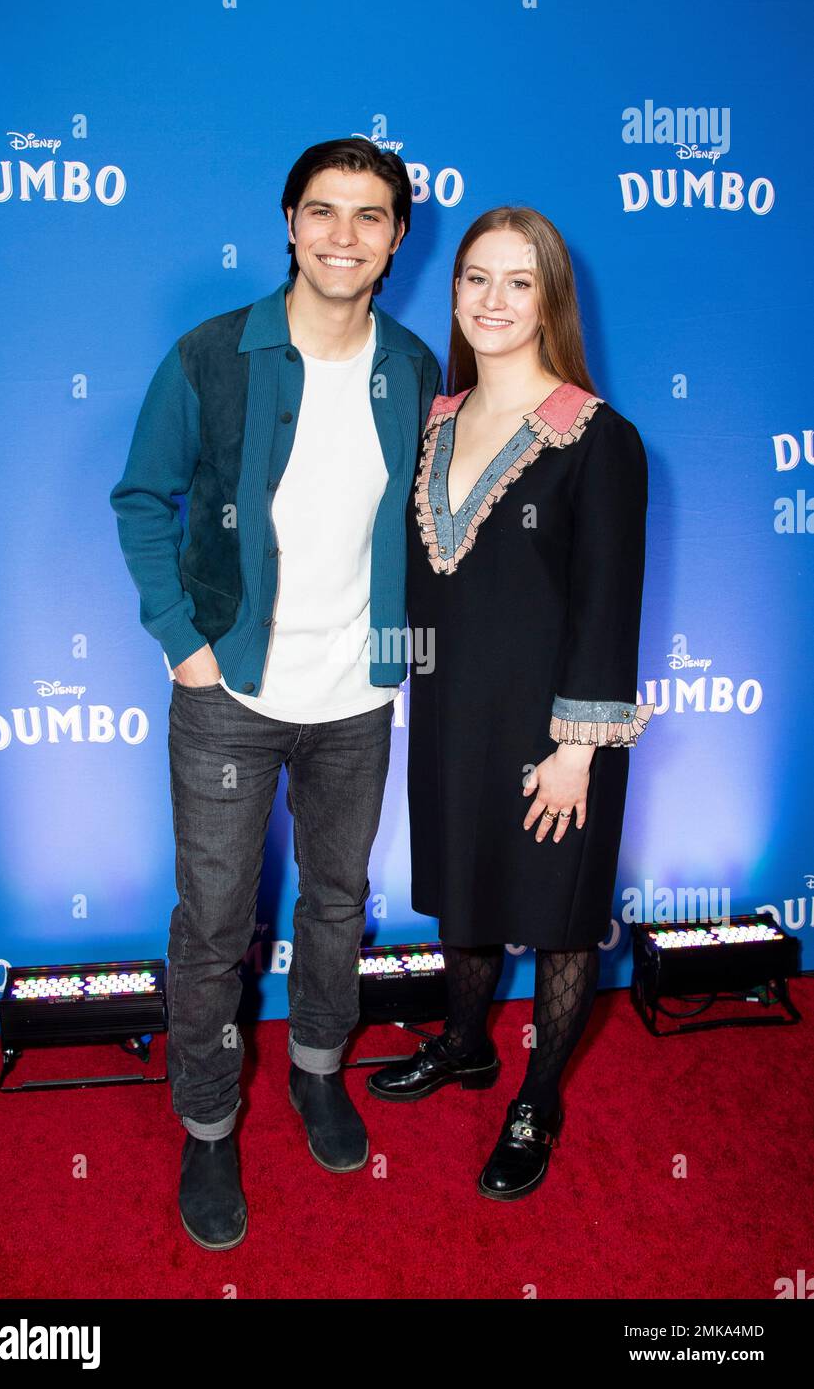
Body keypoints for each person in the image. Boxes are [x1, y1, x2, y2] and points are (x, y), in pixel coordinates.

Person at [109, 137, 442, 1250]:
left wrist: (405, 665)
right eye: (323, 211)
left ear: (399, 236)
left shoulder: (412, 365)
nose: (345, 234)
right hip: (229, 692)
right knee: (212, 924)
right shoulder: (212, 354)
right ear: (290, 224)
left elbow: (419, 528)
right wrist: (181, 642)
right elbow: (140, 497)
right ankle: (208, 1122)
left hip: (357, 697)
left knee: (338, 901)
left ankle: (314, 1070)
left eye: (370, 215)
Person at [366, 206, 654, 1201]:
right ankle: (463, 1045)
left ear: (549, 300)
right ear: (451, 295)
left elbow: (607, 603)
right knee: (468, 892)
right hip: (452, 718)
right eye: (474, 278)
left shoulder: (595, 438)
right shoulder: (431, 425)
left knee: (561, 917)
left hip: (555, 730)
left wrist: (577, 748)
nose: (492, 300)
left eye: (518, 281)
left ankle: (535, 1096)